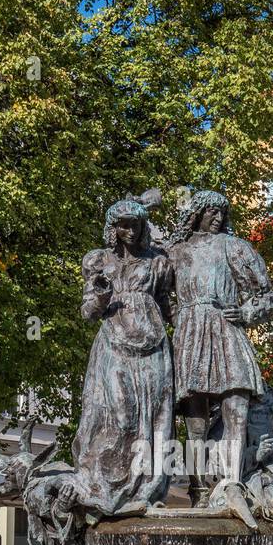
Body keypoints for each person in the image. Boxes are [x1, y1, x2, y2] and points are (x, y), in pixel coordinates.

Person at [167, 190, 273, 505]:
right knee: (196, 423)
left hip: (226, 330)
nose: (217, 218)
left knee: (236, 409)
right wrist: (180, 315)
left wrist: (246, 313)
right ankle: (199, 490)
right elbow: (158, 296)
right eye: (212, 212)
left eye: (221, 213)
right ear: (196, 214)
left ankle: (232, 483)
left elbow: (266, 296)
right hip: (191, 336)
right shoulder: (176, 253)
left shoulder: (234, 247)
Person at [71, 198, 175, 515]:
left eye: (136, 224)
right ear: (113, 228)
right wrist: (102, 294)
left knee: (155, 416)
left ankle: (146, 488)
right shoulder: (98, 261)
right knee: (117, 414)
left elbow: (170, 308)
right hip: (114, 344)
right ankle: (105, 489)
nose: (130, 230)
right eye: (124, 224)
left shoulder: (158, 262)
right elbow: (88, 312)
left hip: (153, 346)